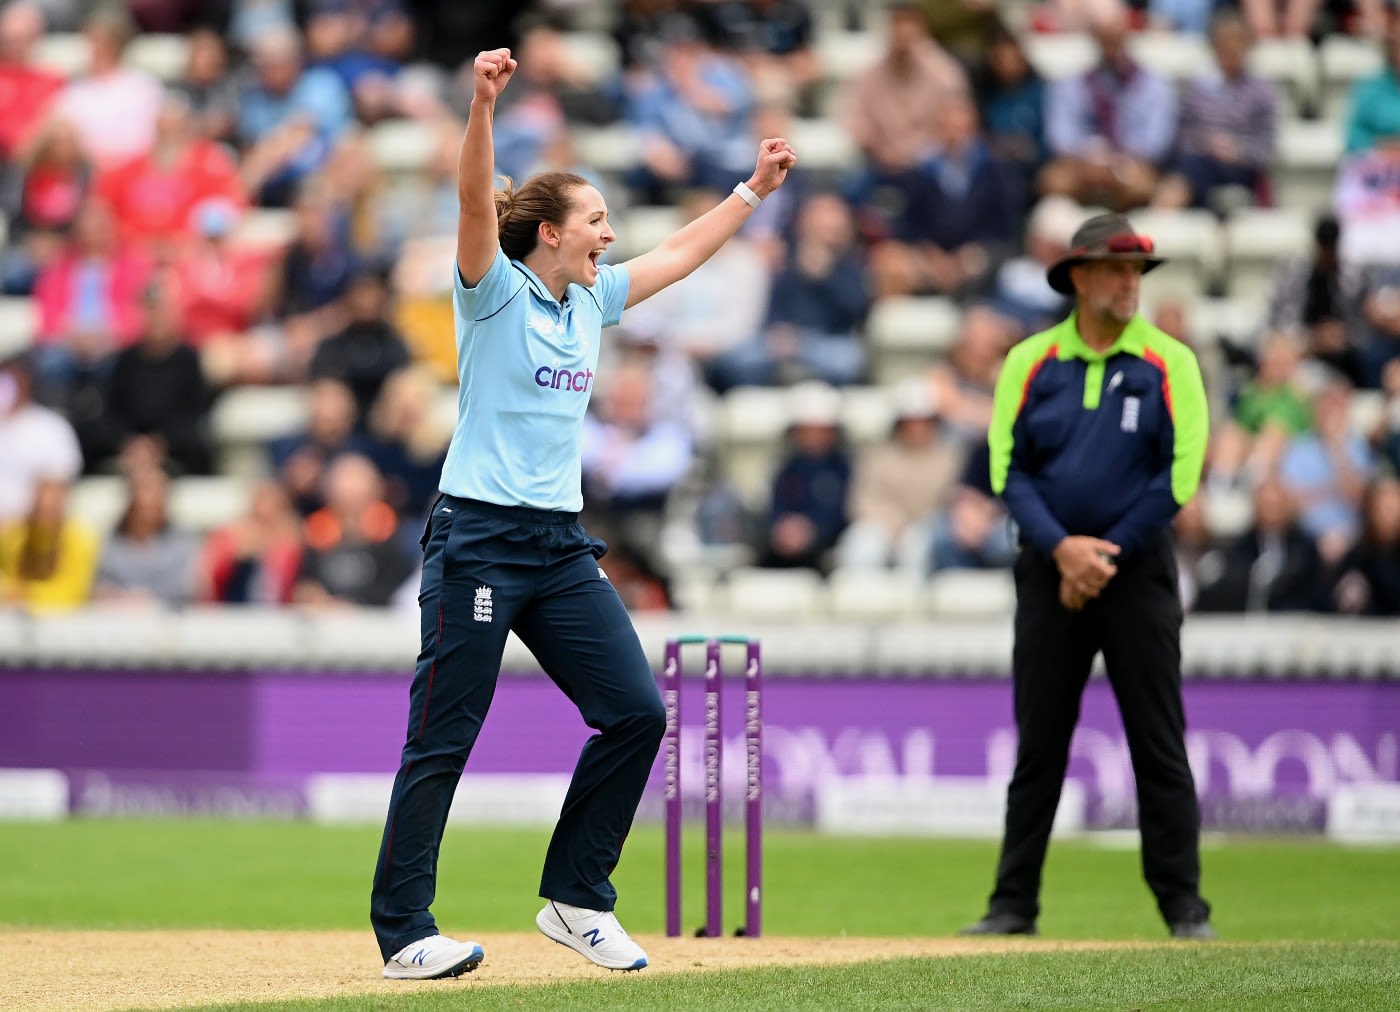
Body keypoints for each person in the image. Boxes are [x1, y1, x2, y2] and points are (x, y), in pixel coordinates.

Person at [369, 47, 797, 980]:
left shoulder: (592, 300)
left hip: (559, 546)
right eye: (596, 220)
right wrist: (482, 106)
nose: (611, 233)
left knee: (636, 713)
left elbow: (680, 256)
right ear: (550, 234)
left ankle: (575, 898)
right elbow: (474, 201)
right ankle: (404, 931)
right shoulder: (492, 291)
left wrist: (752, 192)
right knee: (444, 735)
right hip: (479, 540)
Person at [966, 213, 1215, 940]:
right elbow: (1007, 470)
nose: (1129, 283)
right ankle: (1013, 905)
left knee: (1158, 742)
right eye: (1114, 269)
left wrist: (1100, 556)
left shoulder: (1170, 361)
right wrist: (1062, 552)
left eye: (1136, 271)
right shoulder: (1030, 360)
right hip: (1049, 573)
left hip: (1137, 575)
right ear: (1078, 277)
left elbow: (1179, 477)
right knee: (1039, 745)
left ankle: (1184, 906)